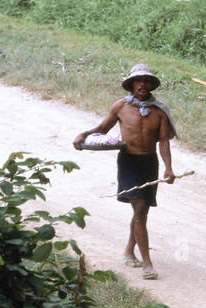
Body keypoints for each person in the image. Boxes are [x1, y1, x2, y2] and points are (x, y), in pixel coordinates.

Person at [73, 63, 176, 279]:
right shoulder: (120, 107)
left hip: (149, 163)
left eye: (147, 81)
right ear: (131, 84)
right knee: (138, 208)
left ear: (151, 85)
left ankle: (129, 250)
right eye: (139, 80)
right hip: (128, 162)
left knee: (142, 211)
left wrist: (168, 168)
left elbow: (164, 141)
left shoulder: (160, 111)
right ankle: (147, 262)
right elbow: (102, 130)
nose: (143, 84)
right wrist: (83, 135)